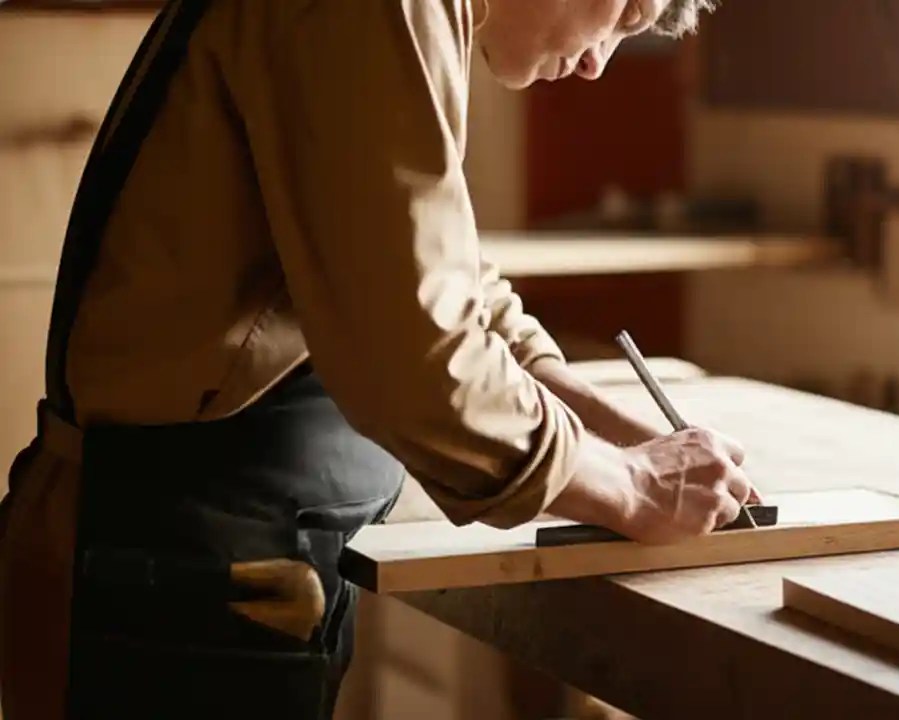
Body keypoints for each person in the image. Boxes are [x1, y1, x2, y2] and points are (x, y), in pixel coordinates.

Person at [0, 0, 755, 717]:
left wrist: (612, 429)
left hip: (208, 558)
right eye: (624, 16)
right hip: (158, 570)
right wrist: (628, 486)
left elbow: (441, 281)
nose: (599, 63)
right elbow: (423, 365)